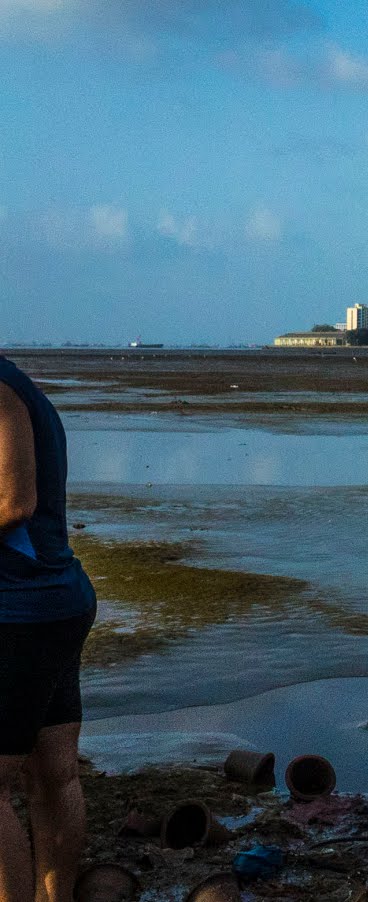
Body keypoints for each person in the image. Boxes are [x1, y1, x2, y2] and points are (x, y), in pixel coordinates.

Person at [0, 356, 96, 902]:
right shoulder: (18, 384)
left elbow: (15, 503)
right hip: (57, 601)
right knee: (55, 771)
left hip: (17, 610)